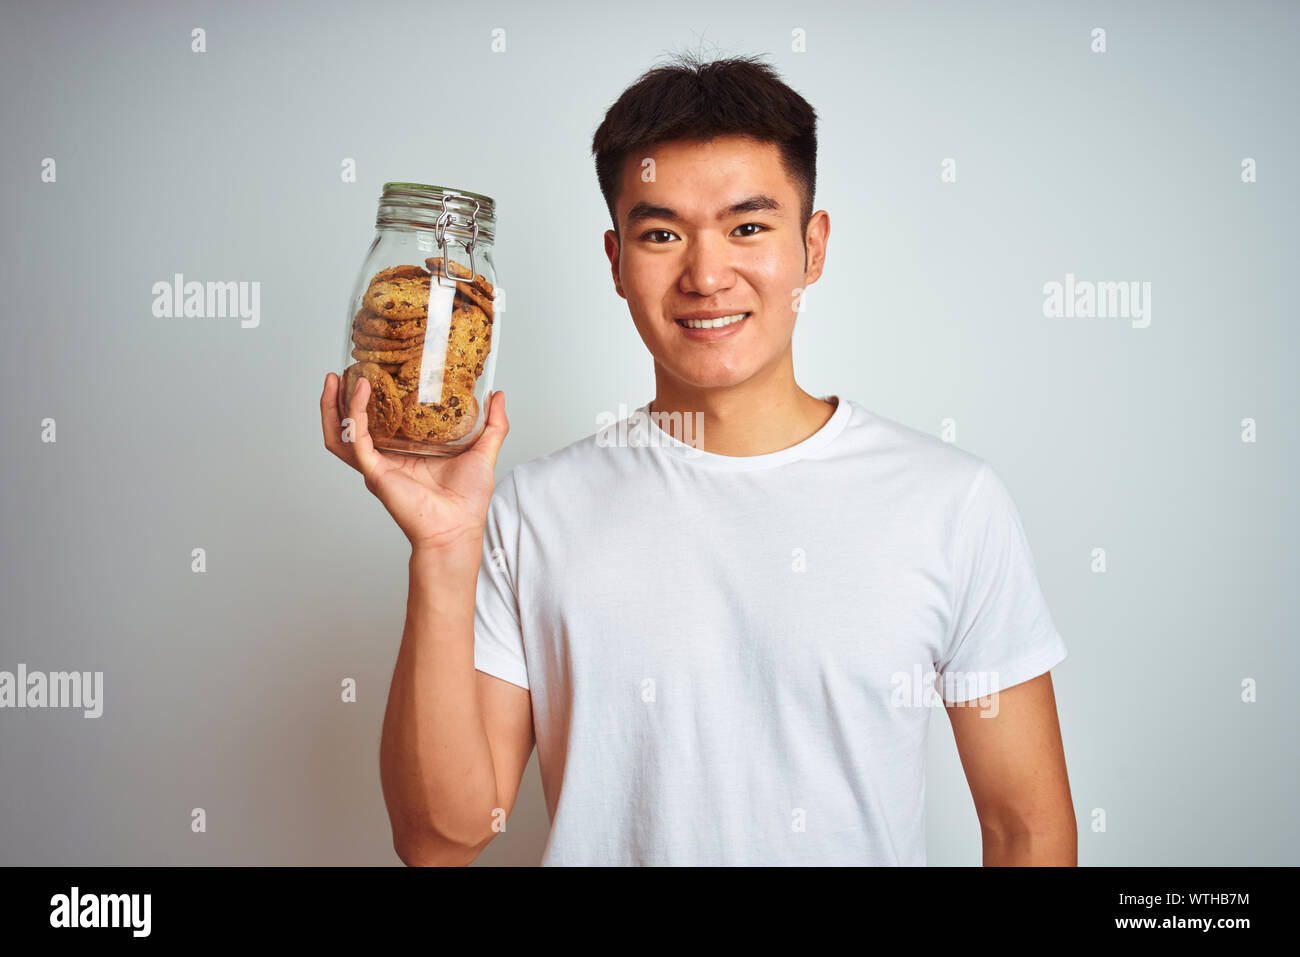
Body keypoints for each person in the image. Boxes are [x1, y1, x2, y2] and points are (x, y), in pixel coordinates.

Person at [319, 52, 1075, 866]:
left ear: (812, 247)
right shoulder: (530, 512)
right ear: (615, 261)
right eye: (662, 233)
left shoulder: (950, 504)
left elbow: (1024, 828)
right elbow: (441, 839)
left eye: (749, 226)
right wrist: (440, 551)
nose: (707, 274)